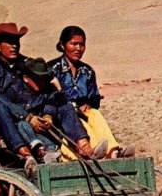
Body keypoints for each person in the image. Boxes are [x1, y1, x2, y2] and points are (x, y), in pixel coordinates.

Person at [0, 23, 105, 169]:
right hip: (9, 117)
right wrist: (27, 117)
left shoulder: (29, 64)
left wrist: (48, 114)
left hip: (34, 109)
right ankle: (25, 154)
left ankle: (85, 147)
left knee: (64, 105)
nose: (14, 46)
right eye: (9, 42)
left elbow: (49, 91)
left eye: (16, 42)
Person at [48, 25, 134, 159]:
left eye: (82, 44)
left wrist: (88, 104)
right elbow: (49, 98)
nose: (78, 48)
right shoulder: (52, 69)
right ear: (62, 45)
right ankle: (93, 151)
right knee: (81, 123)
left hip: (85, 112)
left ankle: (113, 152)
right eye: (73, 44)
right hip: (64, 116)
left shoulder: (87, 71)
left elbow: (94, 97)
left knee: (95, 113)